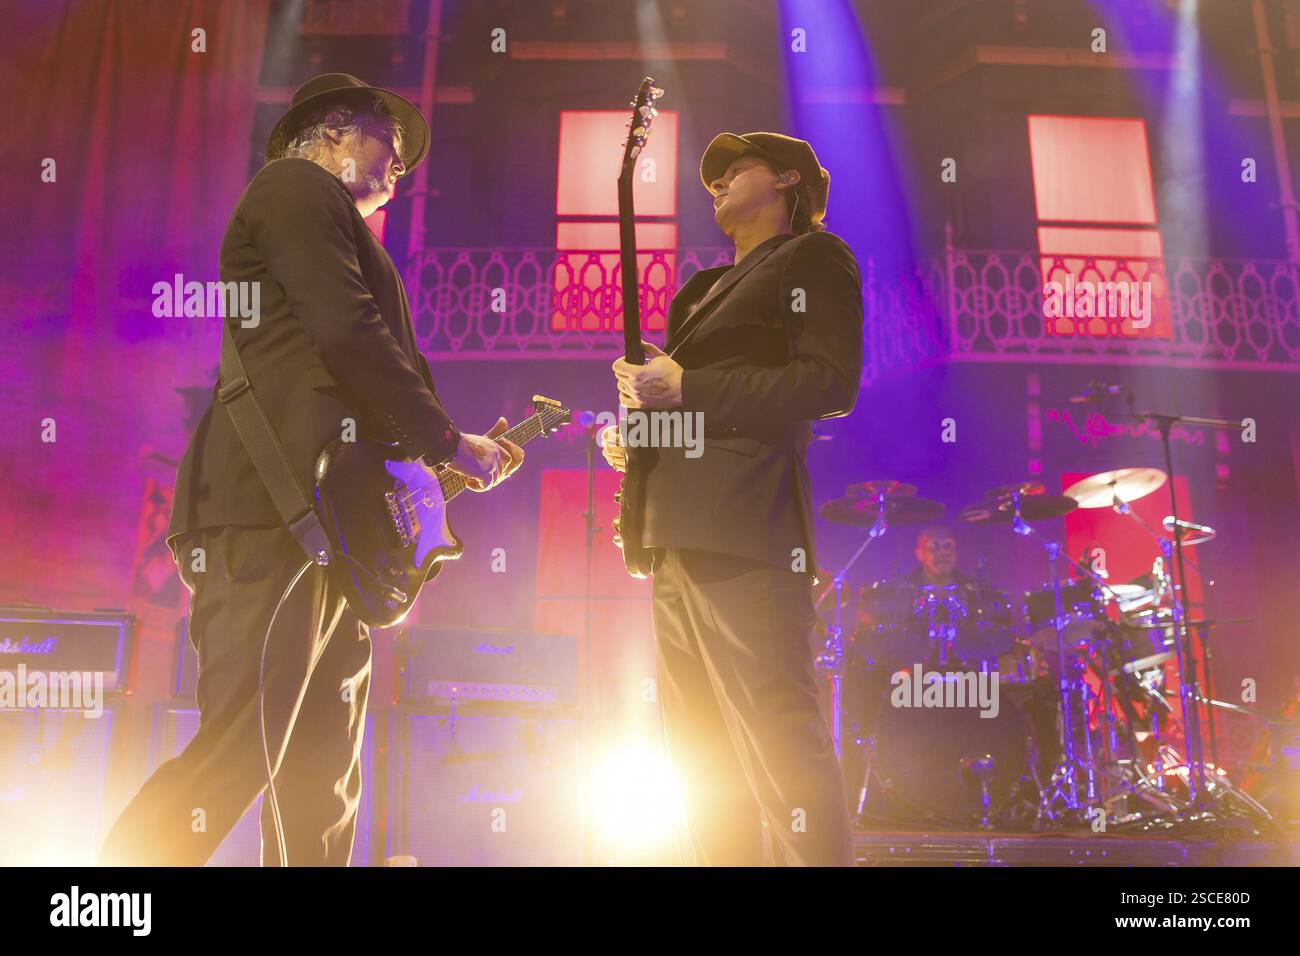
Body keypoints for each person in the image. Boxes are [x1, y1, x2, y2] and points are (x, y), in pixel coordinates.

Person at [99, 74, 522, 866]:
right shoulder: (295, 186)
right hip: (272, 507)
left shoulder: (332, 223)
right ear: (332, 128)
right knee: (242, 745)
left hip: (327, 522)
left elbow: (348, 372)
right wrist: (445, 441)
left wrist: (444, 454)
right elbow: (346, 331)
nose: (400, 166)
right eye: (387, 143)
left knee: (322, 774)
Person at [603, 132, 863, 865]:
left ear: (787, 179)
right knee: (701, 760)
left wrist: (687, 388)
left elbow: (828, 384)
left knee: (779, 739)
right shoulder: (700, 290)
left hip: (748, 527)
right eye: (710, 173)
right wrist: (643, 436)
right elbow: (693, 414)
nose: (715, 179)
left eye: (734, 166)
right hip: (672, 533)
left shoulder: (814, 258)